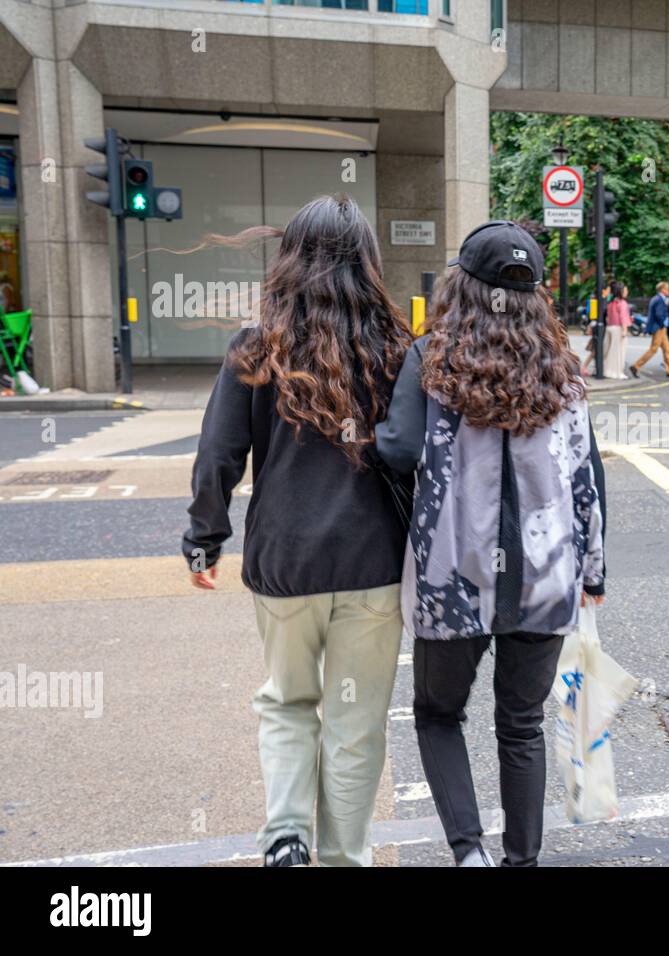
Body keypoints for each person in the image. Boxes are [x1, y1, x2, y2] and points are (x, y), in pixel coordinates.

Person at [183, 195, 412, 867]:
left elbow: (218, 454)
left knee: (286, 702)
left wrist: (205, 537)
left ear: (290, 261)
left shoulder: (256, 348)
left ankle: (286, 835)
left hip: (284, 563)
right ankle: (344, 857)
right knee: (354, 723)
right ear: (367, 263)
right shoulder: (397, 350)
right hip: (374, 566)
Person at [376, 220, 607, 868]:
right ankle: (521, 862)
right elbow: (586, 475)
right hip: (547, 575)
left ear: (461, 289)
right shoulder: (564, 373)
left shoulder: (431, 361)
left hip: (454, 578)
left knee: (438, 716)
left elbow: (394, 450)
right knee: (522, 724)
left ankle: (468, 851)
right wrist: (593, 572)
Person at [629, 280, 669, 378]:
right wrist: (663, 323)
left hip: (661, 327)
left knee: (667, 348)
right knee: (653, 349)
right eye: (668, 288)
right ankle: (636, 366)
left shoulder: (658, 298)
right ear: (663, 289)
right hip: (659, 327)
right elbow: (659, 314)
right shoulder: (659, 300)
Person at [605, 281, 631, 378]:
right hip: (618, 329)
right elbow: (623, 317)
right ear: (621, 291)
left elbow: (608, 317)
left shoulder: (611, 303)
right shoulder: (622, 303)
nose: (627, 291)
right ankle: (618, 373)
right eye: (625, 289)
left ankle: (609, 371)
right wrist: (624, 331)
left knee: (610, 352)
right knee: (619, 352)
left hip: (610, 327)